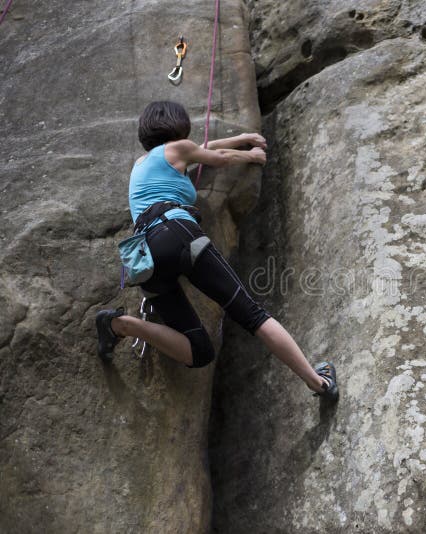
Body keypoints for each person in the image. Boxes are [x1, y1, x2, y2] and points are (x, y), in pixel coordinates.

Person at [95, 100, 338, 402]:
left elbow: (201, 149)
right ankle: (318, 383)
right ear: (178, 124)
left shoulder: (143, 163)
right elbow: (217, 156)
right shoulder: (178, 150)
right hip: (175, 233)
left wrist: (240, 138)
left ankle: (120, 325)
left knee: (198, 351)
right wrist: (250, 154)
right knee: (251, 314)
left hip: (144, 258)